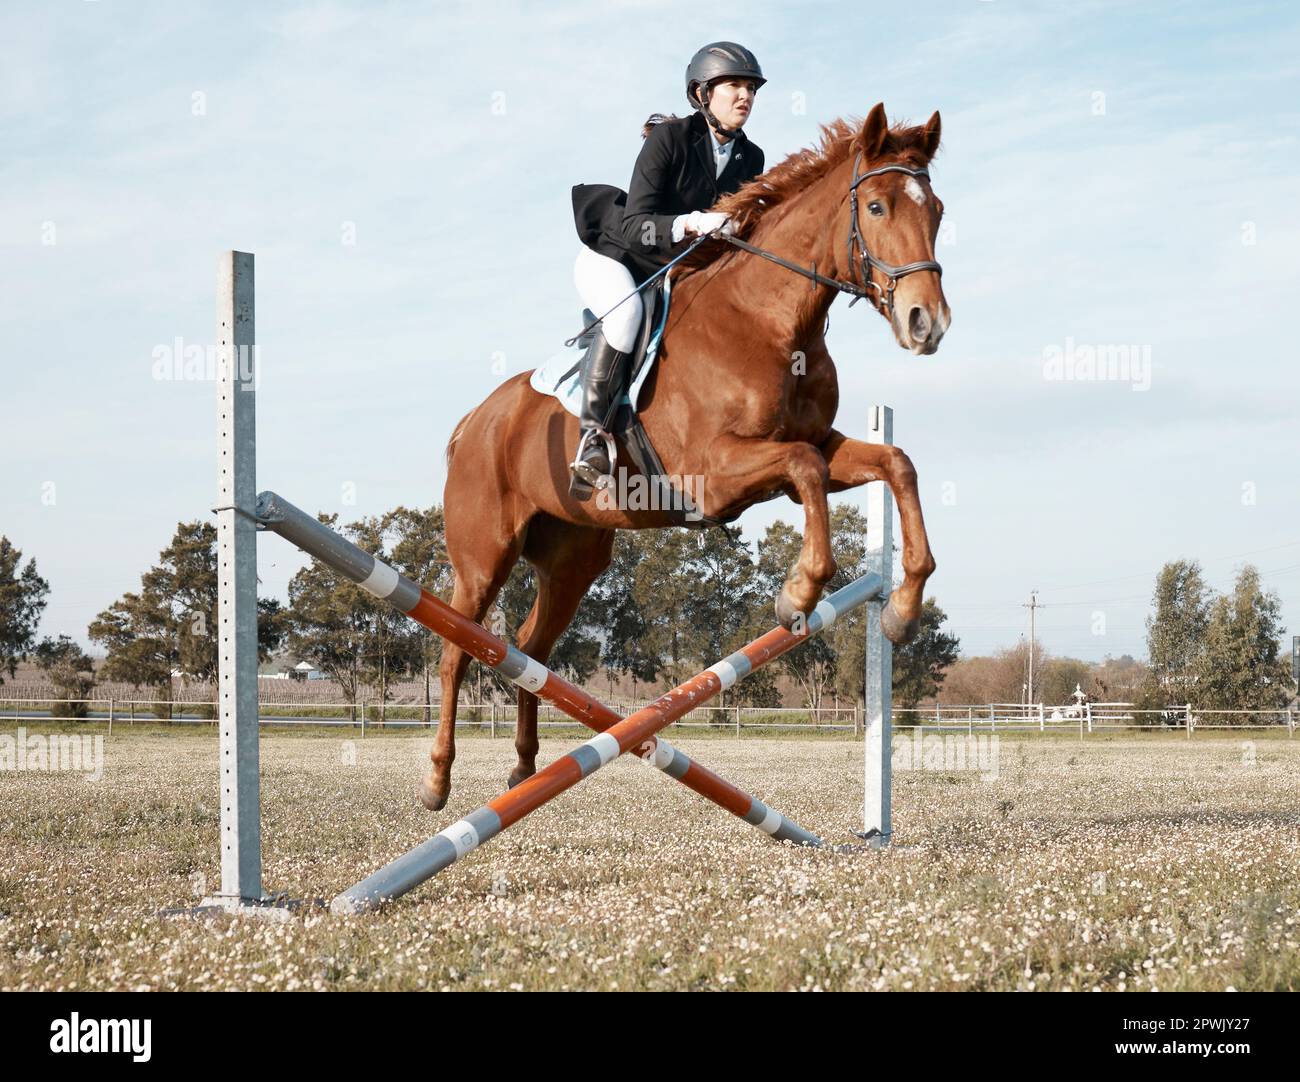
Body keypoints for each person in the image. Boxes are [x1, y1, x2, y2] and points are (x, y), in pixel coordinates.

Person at [567, 42, 767, 498]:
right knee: (626, 317)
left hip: (673, 270)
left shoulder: (751, 158)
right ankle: (593, 439)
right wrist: (690, 222)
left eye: (751, 88)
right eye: (734, 85)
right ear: (702, 93)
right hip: (617, 255)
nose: (746, 96)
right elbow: (637, 224)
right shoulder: (670, 139)